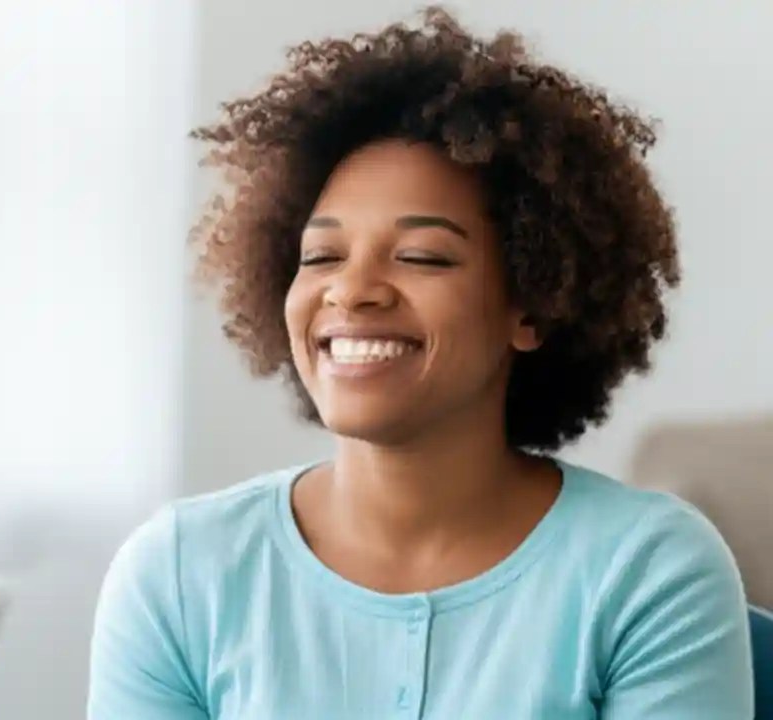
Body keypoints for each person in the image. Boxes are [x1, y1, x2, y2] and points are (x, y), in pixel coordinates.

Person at [88, 7, 754, 719]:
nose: (351, 290)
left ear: (529, 307)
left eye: (421, 257)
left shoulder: (649, 571)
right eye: (321, 257)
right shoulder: (180, 576)